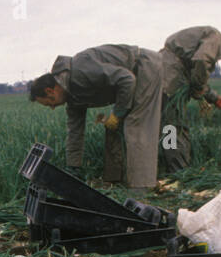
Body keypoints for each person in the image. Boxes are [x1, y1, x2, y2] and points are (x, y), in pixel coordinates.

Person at [30, 45, 162, 192]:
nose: (53, 108)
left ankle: (141, 187)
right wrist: (73, 168)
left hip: (144, 67)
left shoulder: (80, 71)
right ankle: (114, 180)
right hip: (127, 82)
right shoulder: (72, 99)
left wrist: (117, 114)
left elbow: (127, 79)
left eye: (50, 104)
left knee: (136, 125)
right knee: (112, 127)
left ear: (51, 91)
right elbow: (75, 133)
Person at [159, 27, 221, 172]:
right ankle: (178, 171)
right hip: (170, 80)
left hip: (167, 75)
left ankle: (167, 165)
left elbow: (197, 74)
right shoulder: (215, 39)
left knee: (168, 126)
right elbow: (202, 62)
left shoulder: (204, 44)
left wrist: (214, 98)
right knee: (173, 127)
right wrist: (197, 89)